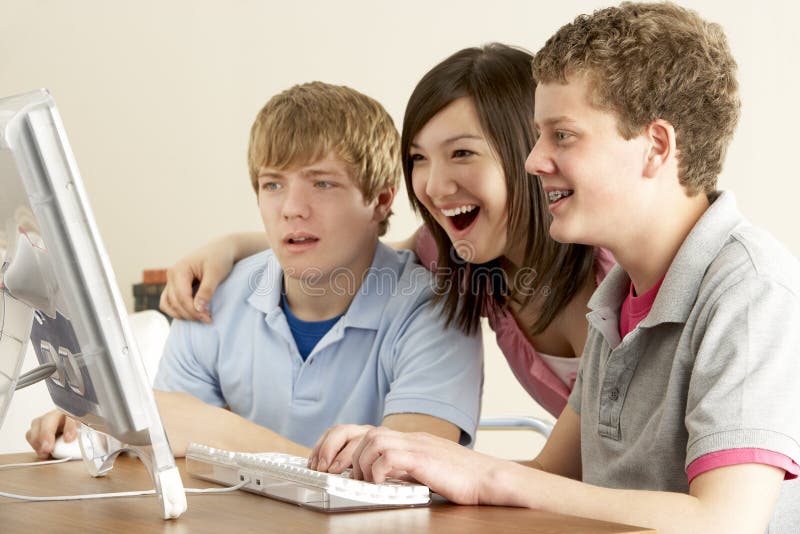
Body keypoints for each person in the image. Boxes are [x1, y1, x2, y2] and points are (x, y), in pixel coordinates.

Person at [329, 3, 800, 532]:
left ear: (656, 147)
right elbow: (551, 480)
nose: (532, 160)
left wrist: (486, 475)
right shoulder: (615, 301)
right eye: (537, 134)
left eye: (563, 135)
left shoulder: (751, 290)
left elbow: (726, 521)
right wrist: (422, 467)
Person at [159, 44, 615, 423]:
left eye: (461, 152)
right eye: (419, 158)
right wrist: (230, 246)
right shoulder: (454, 257)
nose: (434, 186)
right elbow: (361, 249)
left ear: (527, 152)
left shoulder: (617, 273)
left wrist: (214, 431)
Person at [26, 81, 483, 459]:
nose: (291, 209)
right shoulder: (213, 297)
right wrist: (112, 429)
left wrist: (217, 430)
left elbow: (406, 475)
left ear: (380, 200)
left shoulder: (436, 309)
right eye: (272, 184)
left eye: (322, 183)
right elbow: (171, 454)